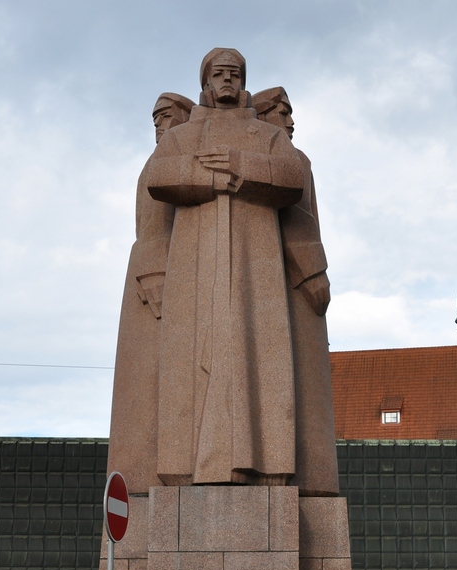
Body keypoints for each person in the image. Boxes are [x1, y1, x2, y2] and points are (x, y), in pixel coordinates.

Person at [144, 48, 310, 488]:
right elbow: (158, 178)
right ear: (205, 82)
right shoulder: (183, 137)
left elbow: (293, 178)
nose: (228, 82)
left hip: (259, 274)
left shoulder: (265, 136)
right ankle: (195, 464)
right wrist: (211, 177)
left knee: (255, 359)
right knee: (195, 362)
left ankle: (261, 462)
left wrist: (239, 167)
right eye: (219, 74)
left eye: (235, 75)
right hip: (193, 268)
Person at [251, 86, 339, 496]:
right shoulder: (290, 161)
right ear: (266, 117)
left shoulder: (291, 160)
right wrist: (313, 274)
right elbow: (301, 224)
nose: (290, 121)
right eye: (283, 113)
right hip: (290, 285)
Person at [105, 91, 195, 491]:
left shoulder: (173, 160)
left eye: (166, 117)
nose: (159, 125)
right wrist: (154, 274)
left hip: (169, 273)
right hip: (155, 279)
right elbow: (153, 227)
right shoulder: (160, 163)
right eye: (156, 119)